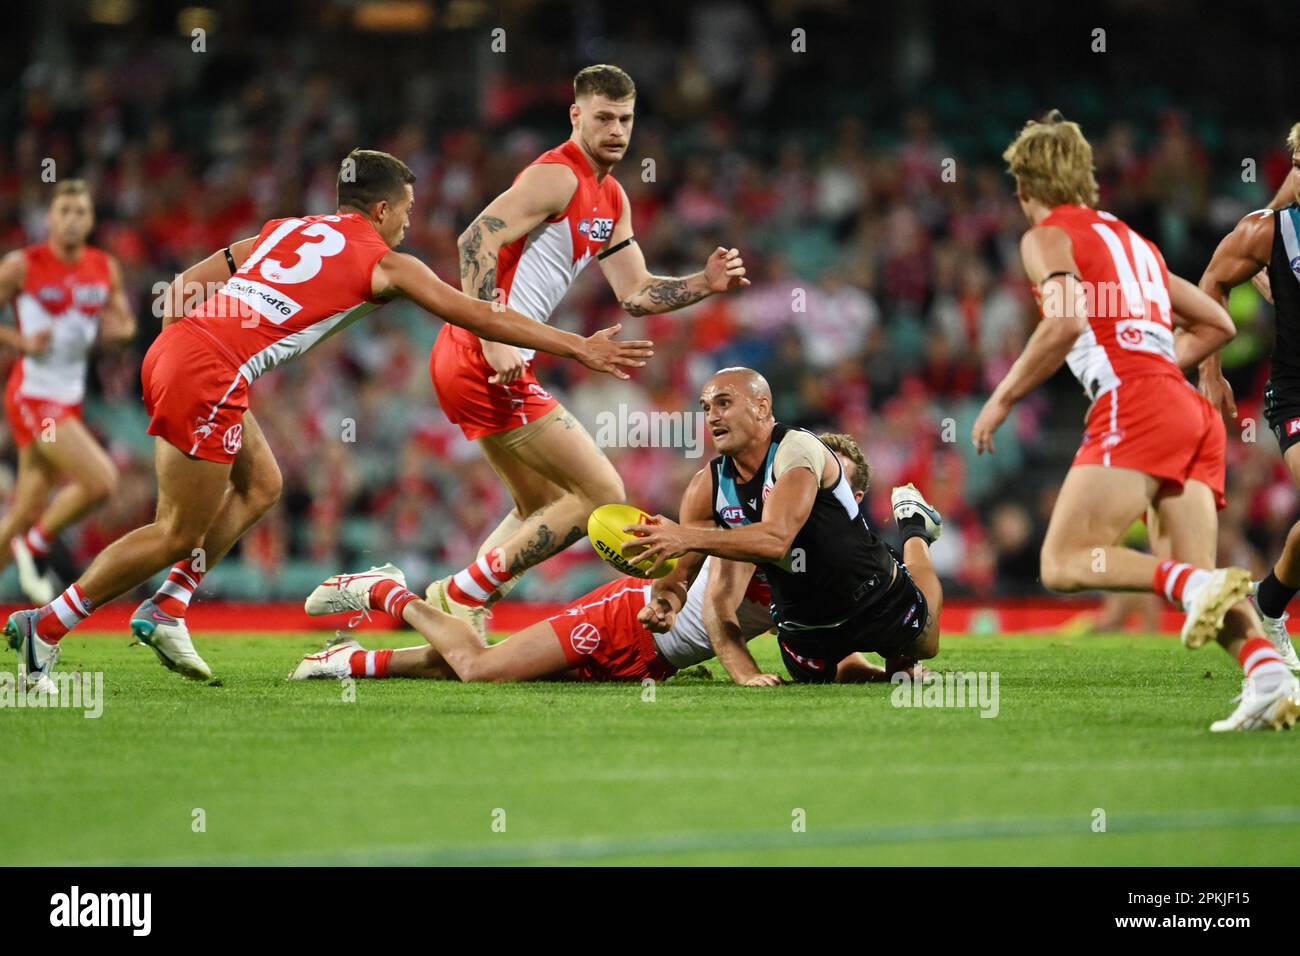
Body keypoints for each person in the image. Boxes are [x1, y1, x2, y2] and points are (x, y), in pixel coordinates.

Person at [5, 148, 651, 695]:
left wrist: (194, 355)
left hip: (185, 351)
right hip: (210, 371)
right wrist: (578, 346)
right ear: (380, 209)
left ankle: (170, 603)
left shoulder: (288, 228)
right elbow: (484, 316)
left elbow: (187, 284)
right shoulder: (389, 264)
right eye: (406, 209)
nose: (408, 221)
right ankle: (49, 625)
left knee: (264, 486)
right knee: (175, 530)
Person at [971, 111, 1298, 731]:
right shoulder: (1133, 241)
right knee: (1195, 580)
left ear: (1024, 185)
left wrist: (1005, 396)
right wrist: (1153, 363)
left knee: (1063, 562)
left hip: (1136, 405)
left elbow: (1065, 320)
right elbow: (1217, 324)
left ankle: (1200, 592)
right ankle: (1270, 675)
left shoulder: (1046, 237)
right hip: (1188, 411)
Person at [427, 64, 748, 637]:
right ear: (576, 115)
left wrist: (703, 283)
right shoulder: (558, 177)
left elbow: (636, 294)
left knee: (542, 506)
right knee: (601, 493)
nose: (617, 130)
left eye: (625, 119)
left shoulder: (612, 196)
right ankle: (458, 593)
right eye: (603, 117)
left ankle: (462, 609)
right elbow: (474, 237)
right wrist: (492, 335)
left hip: (480, 356)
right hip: (482, 352)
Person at [293, 433, 927, 685]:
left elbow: (831, 652)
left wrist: (889, 672)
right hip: (625, 619)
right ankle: (385, 592)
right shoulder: (754, 525)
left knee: (488, 672)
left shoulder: (817, 559)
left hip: (653, 662)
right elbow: (721, 604)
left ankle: (348, 659)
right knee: (484, 670)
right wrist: (737, 669)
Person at [621, 368, 943, 682]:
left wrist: (685, 536)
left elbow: (776, 539)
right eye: (706, 407)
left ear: (762, 406)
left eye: (724, 403)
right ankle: (892, 666)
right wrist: (665, 602)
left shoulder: (796, 450)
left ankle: (914, 528)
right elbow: (681, 576)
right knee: (829, 678)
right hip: (802, 627)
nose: (712, 416)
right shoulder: (705, 488)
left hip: (872, 596)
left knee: (926, 644)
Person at [0, 180, 136, 603]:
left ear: (91, 220)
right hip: (33, 397)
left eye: (81, 212)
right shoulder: (22, 265)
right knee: (102, 480)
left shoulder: (103, 267)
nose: (73, 219)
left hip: (68, 398)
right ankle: (37, 544)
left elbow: (126, 325)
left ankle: (27, 537)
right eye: (65, 211)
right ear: (50, 218)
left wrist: (116, 334)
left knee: (23, 510)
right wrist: (21, 343)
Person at [1197, 122, 1300, 669]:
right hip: (1296, 395)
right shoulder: (1271, 232)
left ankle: (1268, 602)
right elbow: (1212, 280)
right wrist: (1211, 373)